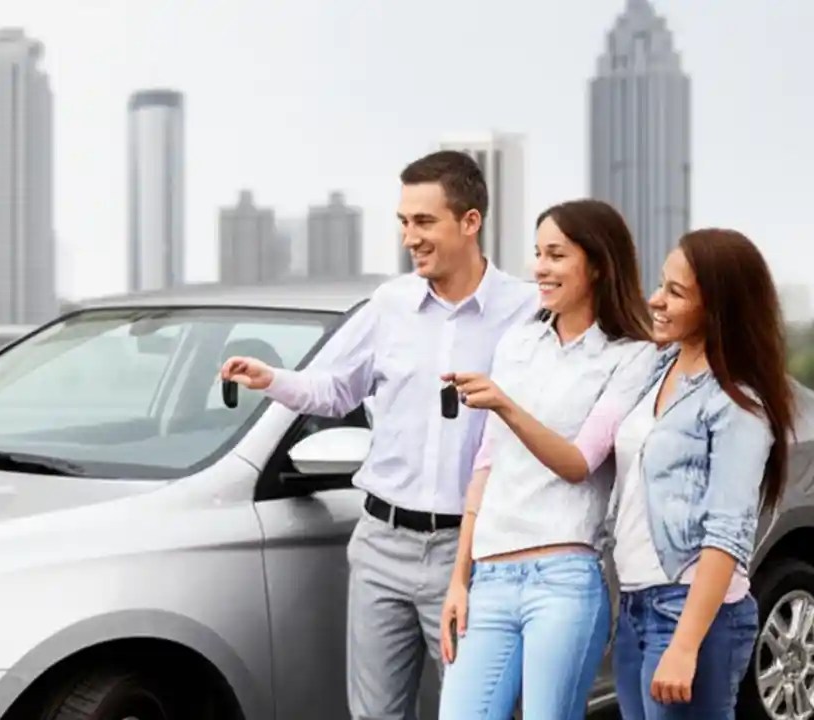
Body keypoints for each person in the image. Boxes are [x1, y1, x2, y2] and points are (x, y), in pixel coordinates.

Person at [220, 150, 539, 720]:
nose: (409, 237)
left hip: (475, 554)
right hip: (381, 545)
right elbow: (333, 390)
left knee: (479, 714)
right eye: (403, 222)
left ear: (470, 222)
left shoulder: (525, 311)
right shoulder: (388, 306)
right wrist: (273, 380)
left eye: (423, 222)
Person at [434, 199, 658, 719]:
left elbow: (581, 462)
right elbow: (486, 465)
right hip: (489, 577)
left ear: (597, 263)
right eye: (537, 253)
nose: (540, 267)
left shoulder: (630, 354)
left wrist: (506, 406)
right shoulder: (518, 341)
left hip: (564, 579)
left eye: (556, 255)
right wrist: (459, 578)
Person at [609, 229, 793, 719]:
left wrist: (686, 645)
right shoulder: (661, 367)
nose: (656, 300)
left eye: (676, 292)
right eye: (661, 284)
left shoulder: (737, 405)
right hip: (636, 606)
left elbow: (728, 533)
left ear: (719, 310)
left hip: (690, 613)